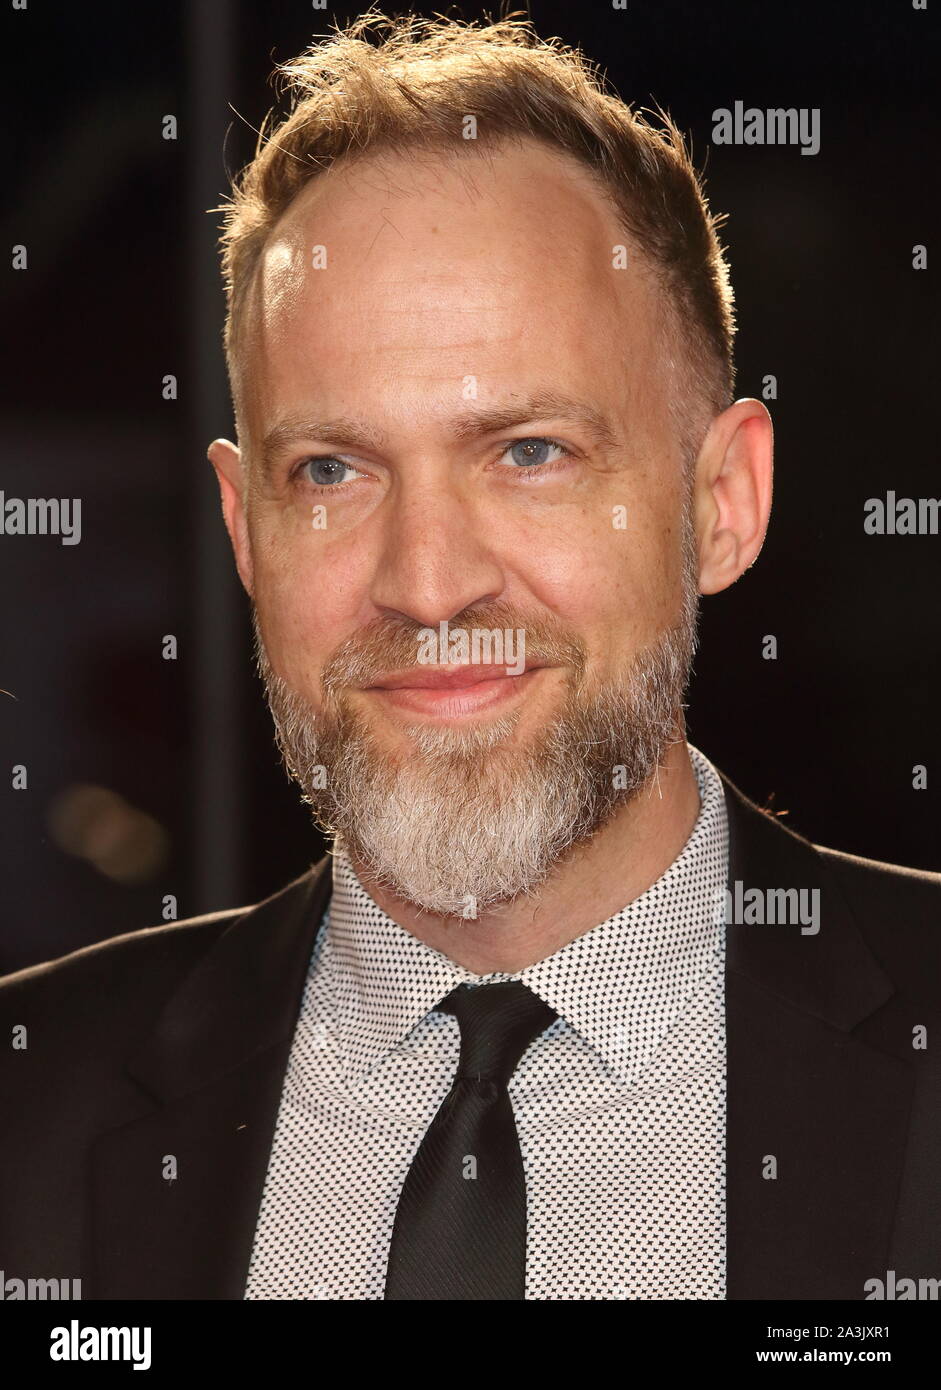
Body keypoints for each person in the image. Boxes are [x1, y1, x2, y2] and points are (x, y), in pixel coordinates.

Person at [2, 12, 939, 1302]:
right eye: (330, 471)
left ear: (724, 498)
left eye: (530, 453)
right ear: (244, 532)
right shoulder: (27, 1101)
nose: (430, 584)